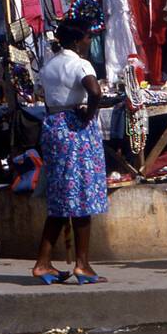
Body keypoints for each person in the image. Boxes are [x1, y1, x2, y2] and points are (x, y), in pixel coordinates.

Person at [33, 21, 109, 284]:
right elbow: (95, 91)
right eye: (88, 37)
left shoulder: (48, 66)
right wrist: (89, 114)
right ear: (77, 41)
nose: (89, 41)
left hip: (53, 128)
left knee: (60, 198)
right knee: (82, 198)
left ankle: (43, 263)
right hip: (75, 131)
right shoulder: (80, 64)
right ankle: (82, 265)